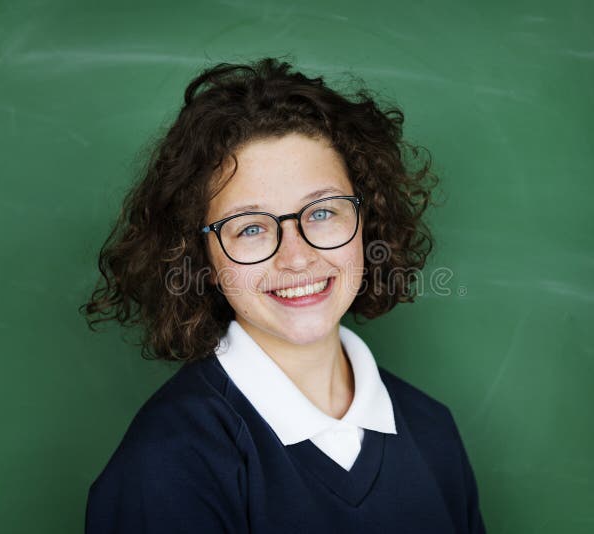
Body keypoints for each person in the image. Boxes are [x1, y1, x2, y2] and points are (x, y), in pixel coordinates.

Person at [81, 57, 486, 533]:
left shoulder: (431, 430)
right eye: (250, 227)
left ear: (365, 223)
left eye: (321, 213)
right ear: (201, 258)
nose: (295, 258)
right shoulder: (168, 464)